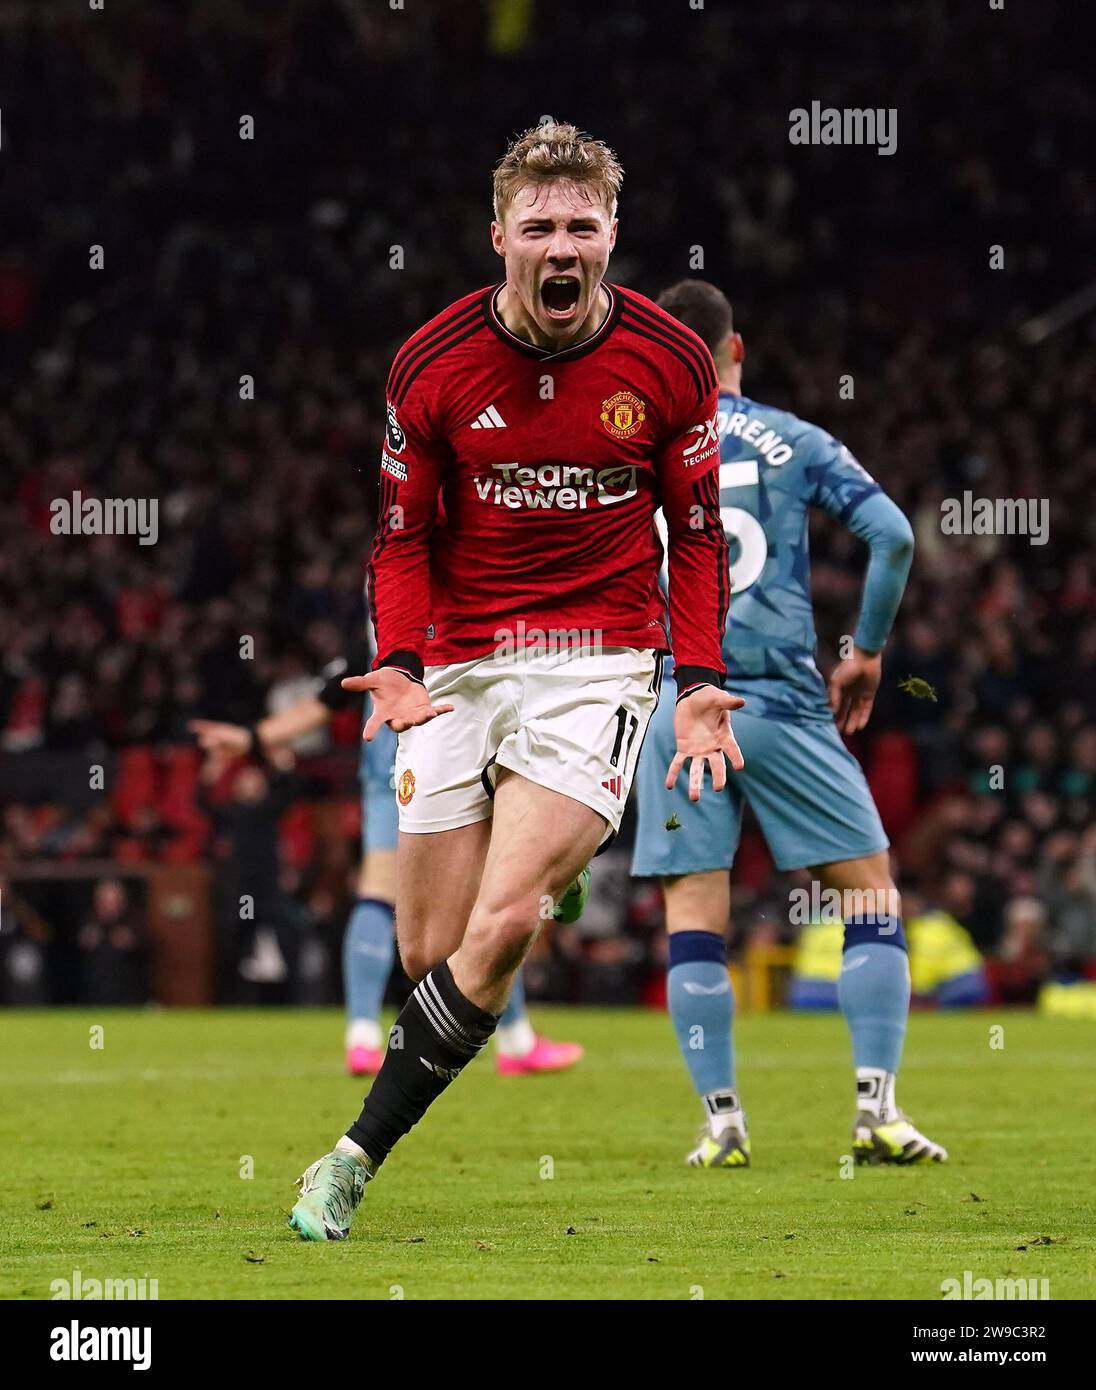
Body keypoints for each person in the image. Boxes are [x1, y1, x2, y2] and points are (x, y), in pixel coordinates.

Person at [288, 120, 741, 1240]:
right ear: (499, 238)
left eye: (580, 226)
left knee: (498, 927)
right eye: (537, 226)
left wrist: (697, 679)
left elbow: (696, 530)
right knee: (428, 953)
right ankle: (556, 864)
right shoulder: (431, 364)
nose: (560, 244)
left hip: (598, 659)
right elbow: (398, 538)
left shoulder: (670, 363)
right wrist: (395, 663)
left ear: (611, 237)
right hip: (460, 656)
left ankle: (353, 1155)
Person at [632, 279, 947, 1167]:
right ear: (738, 350)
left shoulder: (631, 452)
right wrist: (868, 652)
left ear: (662, 357)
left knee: (694, 918)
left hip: (676, 706)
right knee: (872, 897)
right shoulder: (796, 440)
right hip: (777, 700)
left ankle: (722, 1122)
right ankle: (876, 1113)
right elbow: (893, 538)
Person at [190, 635, 586, 1074]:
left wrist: (252, 737)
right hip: (447, 738)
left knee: (395, 890)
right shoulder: (442, 584)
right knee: (483, 891)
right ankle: (510, 1040)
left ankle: (366, 1036)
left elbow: (338, 686)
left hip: (394, 748)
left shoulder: (384, 592)